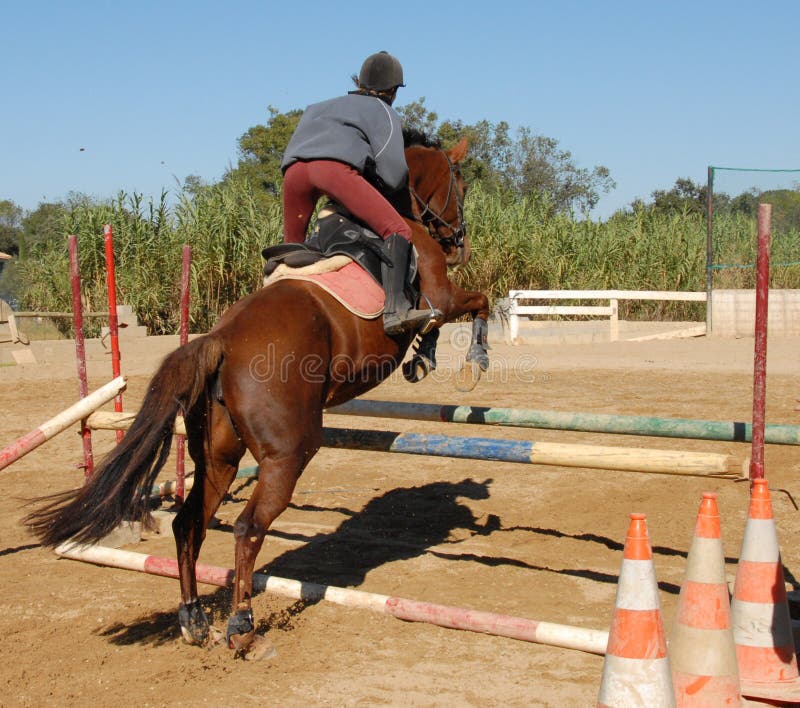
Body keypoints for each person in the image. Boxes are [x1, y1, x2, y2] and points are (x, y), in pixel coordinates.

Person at [281, 51, 438, 335]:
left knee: (291, 250)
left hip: (293, 174)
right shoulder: (383, 111)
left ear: (361, 80)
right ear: (392, 91)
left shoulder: (318, 106)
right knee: (398, 231)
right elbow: (394, 175)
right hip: (332, 172)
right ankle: (395, 311)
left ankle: (270, 298)